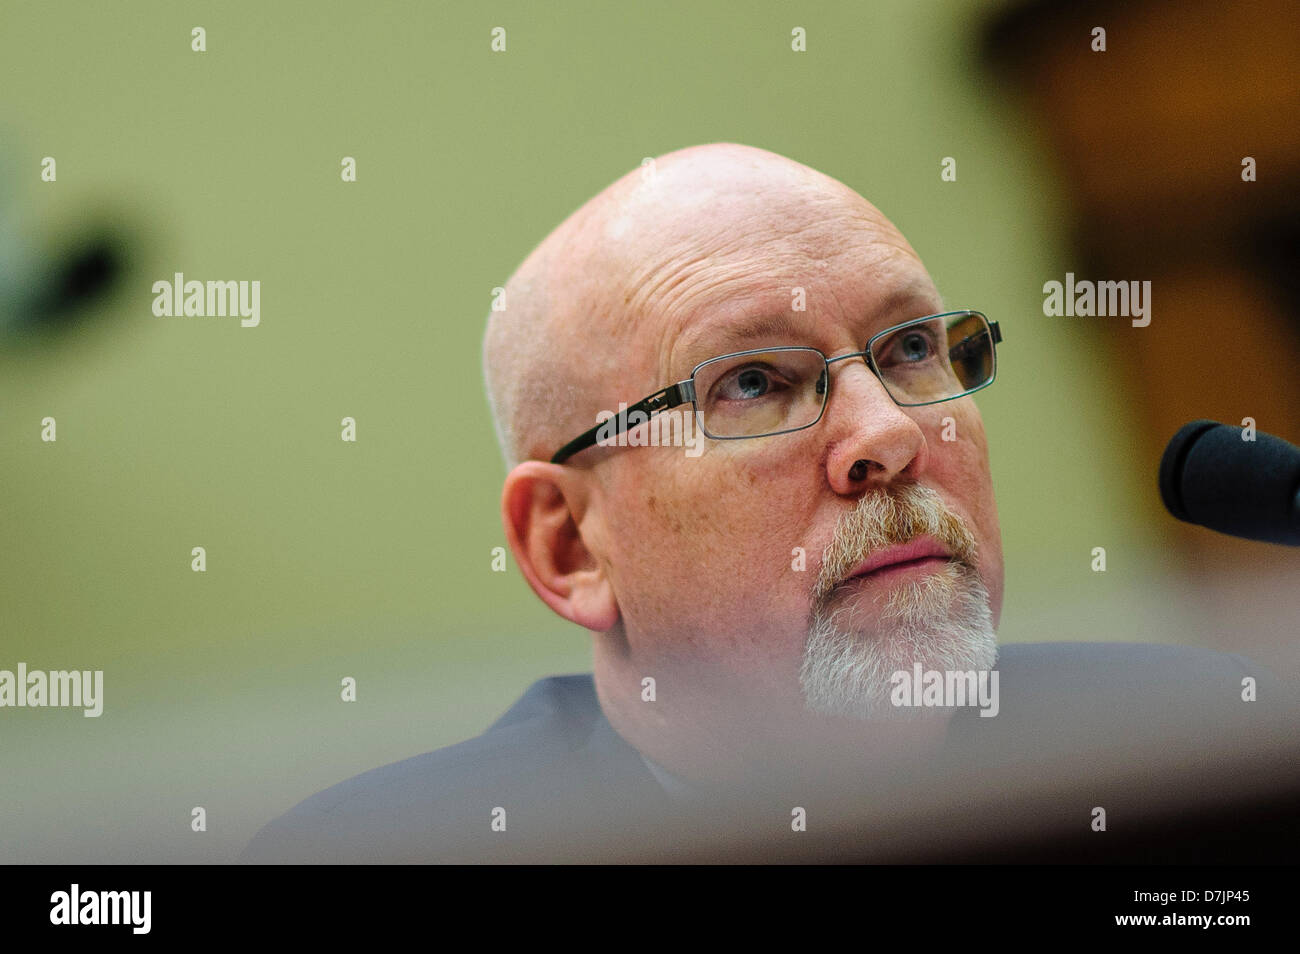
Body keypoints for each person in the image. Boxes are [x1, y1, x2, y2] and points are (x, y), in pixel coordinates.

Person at [241, 144, 1286, 863]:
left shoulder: (1204, 754)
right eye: (750, 382)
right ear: (569, 546)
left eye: (914, 348)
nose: (887, 434)